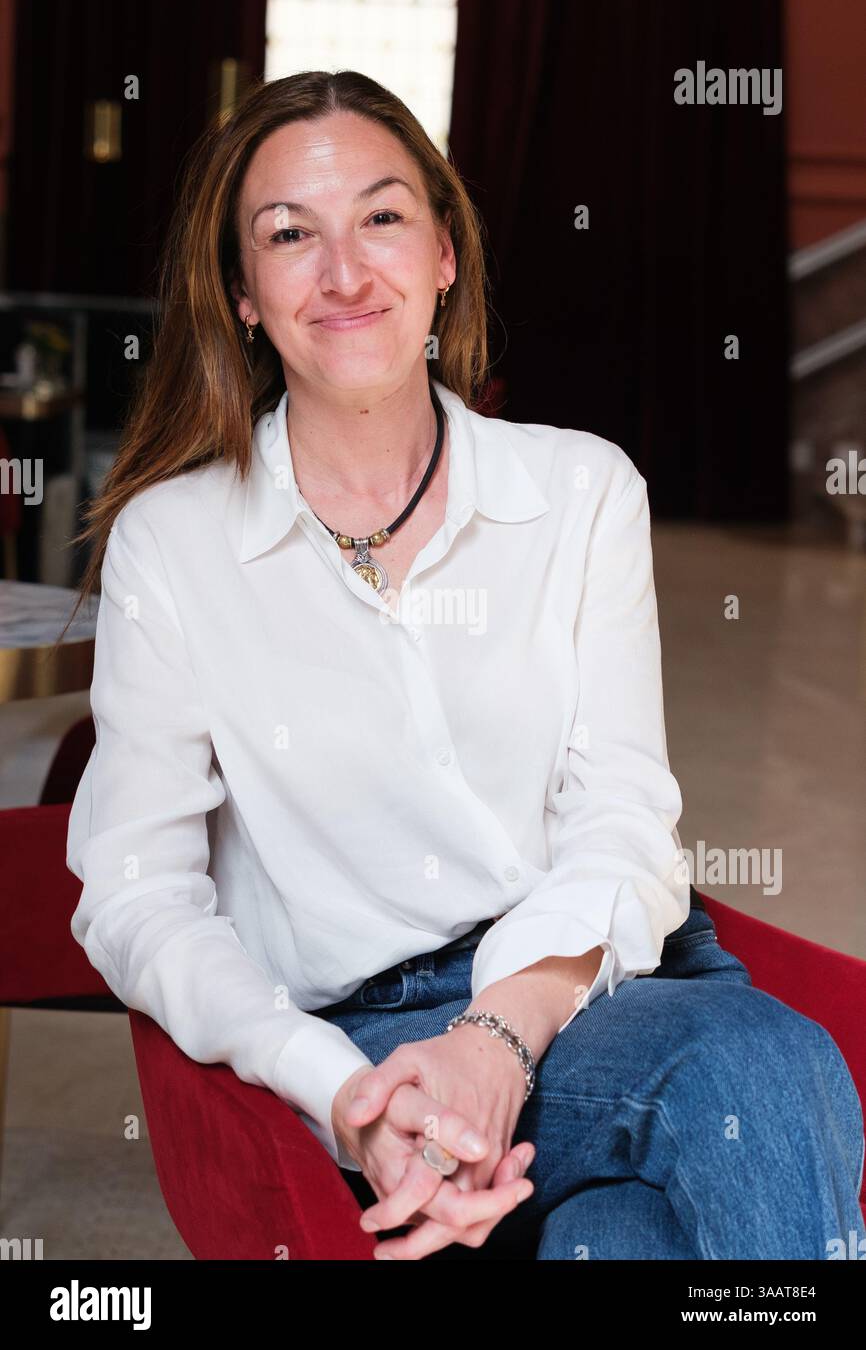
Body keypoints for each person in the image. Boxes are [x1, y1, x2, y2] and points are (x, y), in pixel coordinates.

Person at [63, 70, 865, 1261]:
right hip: (360, 1033)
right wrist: (344, 1096)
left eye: (382, 217)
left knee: (741, 1072)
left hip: (590, 992)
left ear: (444, 251)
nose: (344, 272)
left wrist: (495, 1042)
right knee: (647, 1206)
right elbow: (136, 894)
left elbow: (623, 818)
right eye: (290, 235)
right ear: (240, 295)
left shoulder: (581, 491)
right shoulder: (173, 546)